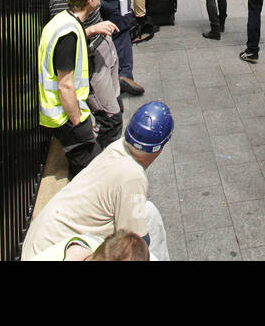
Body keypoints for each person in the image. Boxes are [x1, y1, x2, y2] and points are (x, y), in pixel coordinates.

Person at [21, 101, 174, 262]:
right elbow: (135, 242)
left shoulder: (117, 148)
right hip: (54, 251)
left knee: (148, 212)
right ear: (160, 147)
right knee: (146, 251)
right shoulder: (132, 175)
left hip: (43, 241)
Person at [49, 0, 124, 148]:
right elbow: (65, 36)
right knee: (111, 119)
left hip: (104, 50)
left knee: (115, 105)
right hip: (91, 61)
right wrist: (92, 30)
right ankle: (100, 162)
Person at [38, 0, 103, 177]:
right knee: (92, 174)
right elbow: (64, 84)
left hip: (65, 114)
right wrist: (79, 122)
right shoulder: (68, 34)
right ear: (90, 0)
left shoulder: (63, 22)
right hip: (65, 118)